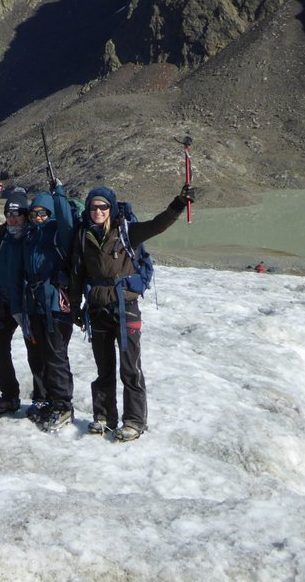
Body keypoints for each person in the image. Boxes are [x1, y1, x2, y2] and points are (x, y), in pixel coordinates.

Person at [69, 184, 191, 442]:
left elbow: (157, 225)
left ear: (111, 209)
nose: (97, 211)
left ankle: (134, 421)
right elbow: (77, 273)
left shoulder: (127, 231)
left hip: (126, 309)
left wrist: (178, 203)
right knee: (104, 368)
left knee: (130, 368)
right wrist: (76, 306)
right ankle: (104, 417)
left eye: (103, 207)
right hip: (96, 309)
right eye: (93, 207)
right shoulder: (83, 235)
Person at [17, 181, 79, 432]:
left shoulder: (58, 234)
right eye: (34, 214)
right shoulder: (31, 237)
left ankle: (64, 405)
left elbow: (68, 223)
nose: (38, 217)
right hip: (35, 305)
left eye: (43, 213)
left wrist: (60, 195)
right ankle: (48, 401)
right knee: (40, 356)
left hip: (56, 305)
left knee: (56, 356)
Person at [0, 188, 47, 418]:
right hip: (3, 301)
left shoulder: (32, 237)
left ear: (26, 215)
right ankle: (9, 395)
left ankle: (42, 398)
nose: (13, 219)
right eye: (9, 214)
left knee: (35, 351)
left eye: (18, 214)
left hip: (26, 304)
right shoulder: (2, 235)